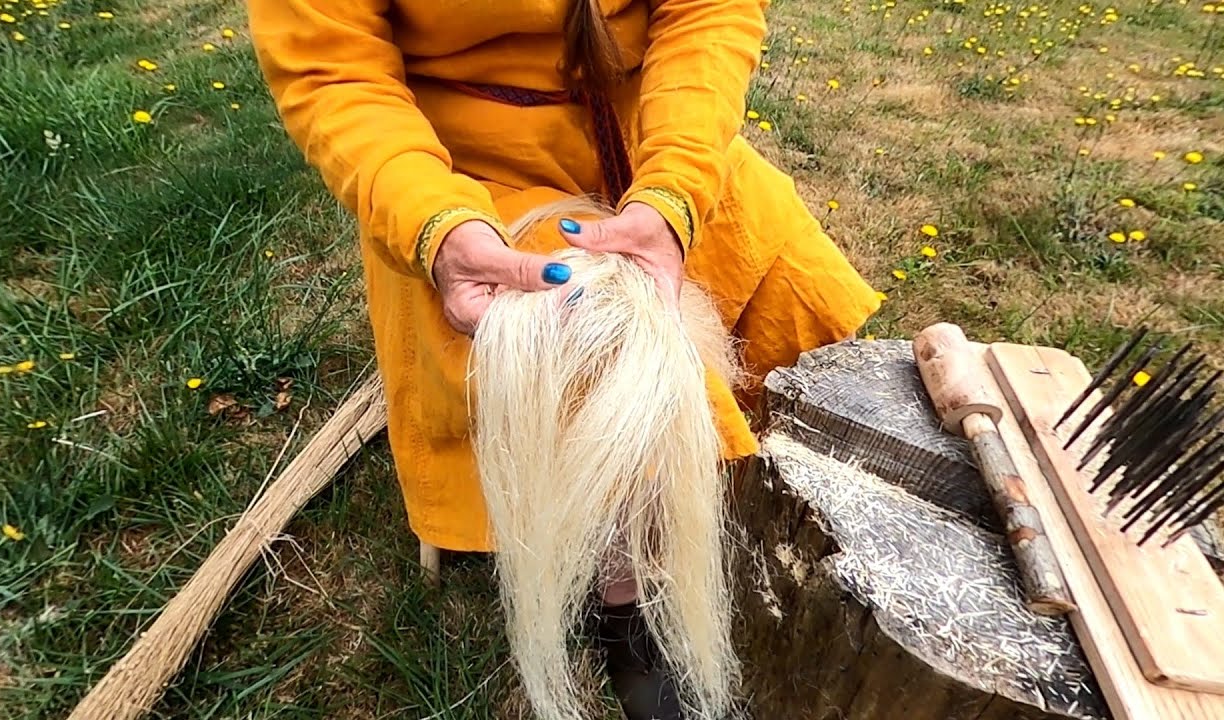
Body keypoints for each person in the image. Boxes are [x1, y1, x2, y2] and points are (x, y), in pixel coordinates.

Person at [245, 1, 880, 717]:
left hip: (659, 137)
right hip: (463, 179)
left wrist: (674, 192)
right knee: (602, 352)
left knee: (793, 288)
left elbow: (708, 11)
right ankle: (628, 608)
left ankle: (754, 502)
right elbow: (334, 71)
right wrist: (436, 225)